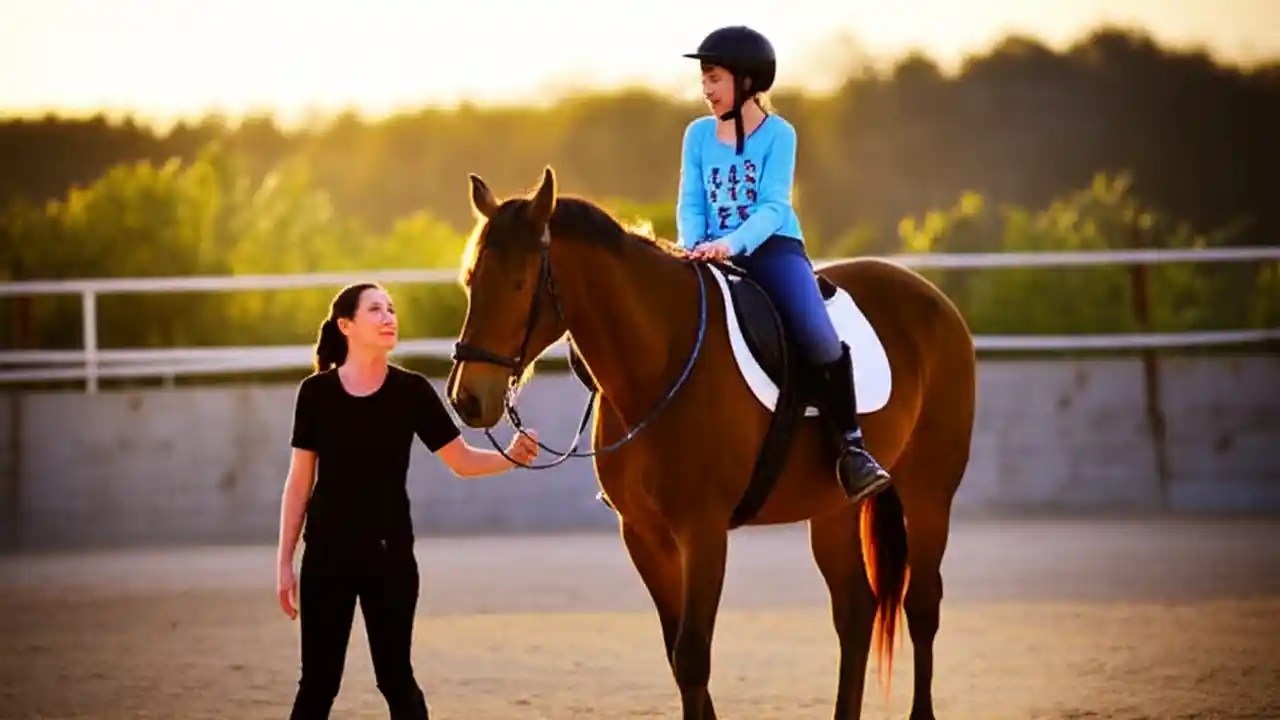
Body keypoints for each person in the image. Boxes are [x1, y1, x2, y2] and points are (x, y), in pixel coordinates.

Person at [276, 282, 540, 719]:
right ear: (346, 325)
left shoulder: (412, 391)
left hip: (390, 557)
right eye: (375, 310)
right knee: (318, 683)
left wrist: (511, 457)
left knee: (396, 678)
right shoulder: (316, 393)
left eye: (391, 309)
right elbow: (299, 481)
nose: (388, 318)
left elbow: (461, 460)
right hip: (326, 557)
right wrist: (285, 560)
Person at [676, 25, 891, 503]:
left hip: (772, 249)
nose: (706, 89)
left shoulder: (780, 134)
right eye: (704, 79)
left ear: (748, 81)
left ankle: (852, 448)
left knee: (817, 333)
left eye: (714, 78)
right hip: (705, 250)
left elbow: (773, 206)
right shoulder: (696, 135)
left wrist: (731, 244)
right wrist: (696, 243)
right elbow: (690, 202)